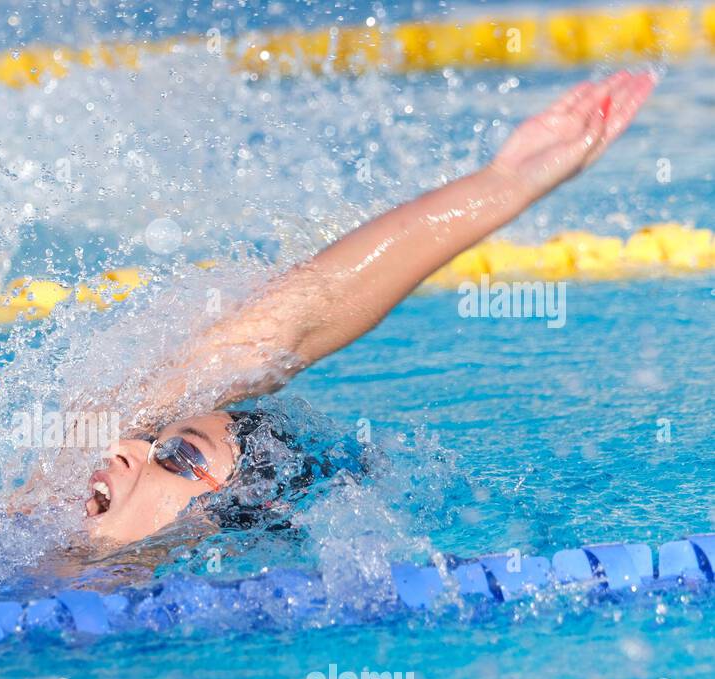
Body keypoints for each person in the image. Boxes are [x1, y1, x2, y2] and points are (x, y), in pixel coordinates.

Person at [69, 70, 656, 549]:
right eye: (156, 439)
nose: (122, 444)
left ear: (217, 523)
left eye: (180, 456)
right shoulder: (42, 504)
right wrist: (499, 185)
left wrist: (510, 184)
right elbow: (294, 323)